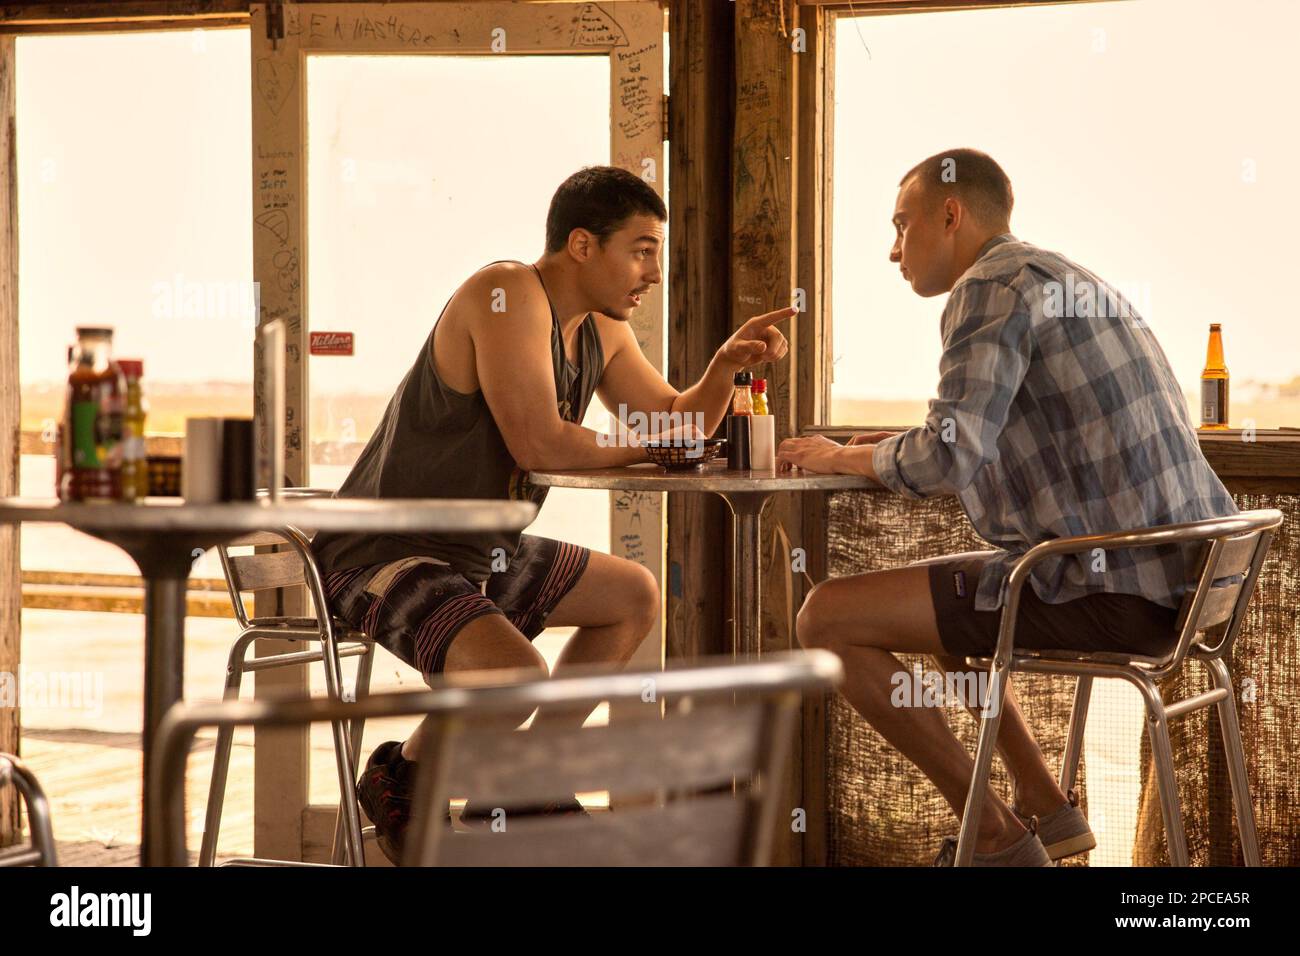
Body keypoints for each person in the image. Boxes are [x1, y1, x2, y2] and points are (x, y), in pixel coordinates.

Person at [312, 165, 792, 863]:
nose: (653, 271)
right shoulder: (504, 293)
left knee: (631, 595)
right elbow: (539, 440)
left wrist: (722, 368)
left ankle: (521, 782)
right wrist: (655, 445)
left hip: (477, 554)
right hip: (380, 552)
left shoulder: (601, 331)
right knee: (516, 675)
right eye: (641, 248)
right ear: (581, 245)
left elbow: (674, 422)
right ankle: (404, 775)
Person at [776, 148, 1236, 866]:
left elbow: (946, 459)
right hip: (1184, 585)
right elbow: (975, 431)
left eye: (903, 225)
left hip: (1114, 587)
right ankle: (1045, 803)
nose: (893, 249)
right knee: (948, 606)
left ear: (950, 214)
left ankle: (991, 836)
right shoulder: (1063, 277)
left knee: (825, 615)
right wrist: (889, 446)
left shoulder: (990, 288)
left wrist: (838, 457)